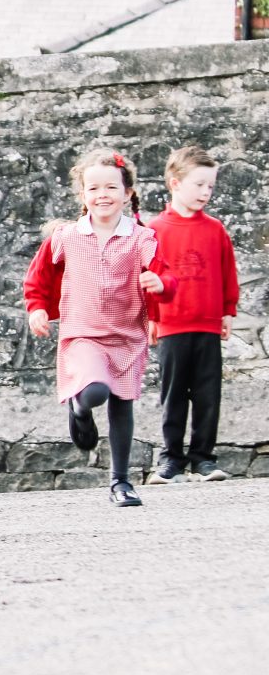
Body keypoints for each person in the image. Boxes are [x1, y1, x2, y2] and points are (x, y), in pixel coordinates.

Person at [23, 149, 171, 508]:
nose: (102, 195)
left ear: (127, 193)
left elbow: (165, 275)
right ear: (83, 194)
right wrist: (37, 308)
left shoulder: (141, 238)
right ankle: (79, 407)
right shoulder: (67, 236)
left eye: (111, 187)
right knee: (96, 391)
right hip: (83, 334)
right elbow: (38, 277)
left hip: (127, 336)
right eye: (93, 188)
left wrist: (160, 285)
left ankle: (121, 482)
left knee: (122, 404)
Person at [147, 146, 239, 483]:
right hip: (171, 324)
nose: (205, 192)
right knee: (172, 395)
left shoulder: (215, 229)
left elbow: (228, 272)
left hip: (208, 324)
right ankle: (170, 460)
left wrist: (228, 311)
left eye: (210, 186)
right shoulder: (154, 229)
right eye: (199, 184)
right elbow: (146, 277)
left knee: (207, 395)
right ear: (175, 183)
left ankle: (203, 459)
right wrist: (151, 318)